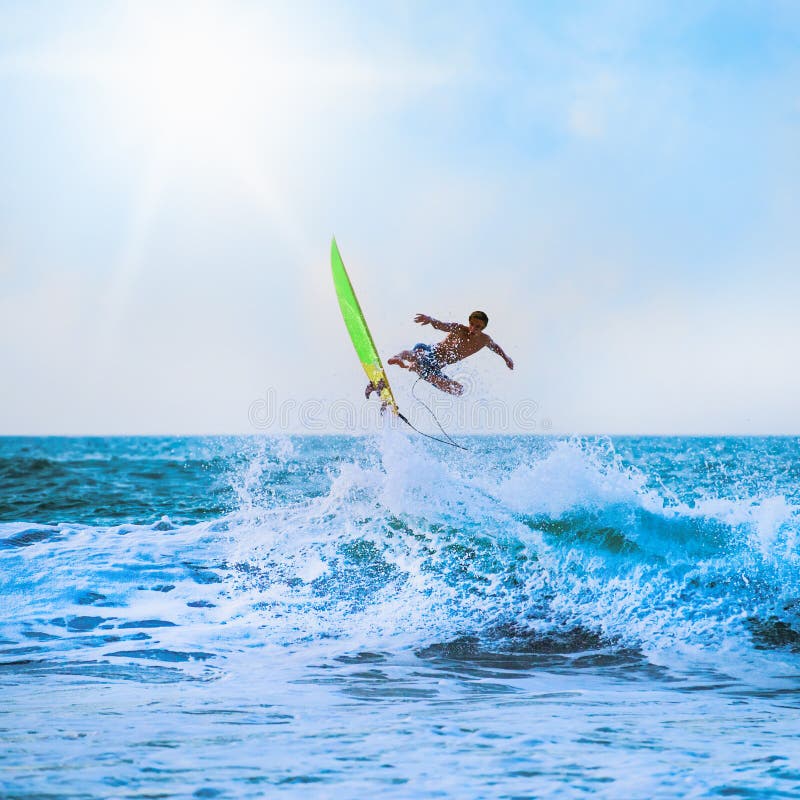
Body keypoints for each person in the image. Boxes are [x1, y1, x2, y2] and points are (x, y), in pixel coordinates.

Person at [366, 310, 514, 397]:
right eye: (473, 324)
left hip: (436, 367)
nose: (474, 328)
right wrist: (430, 320)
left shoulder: (484, 340)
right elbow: (442, 325)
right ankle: (398, 357)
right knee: (415, 355)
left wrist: (506, 358)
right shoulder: (458, 329)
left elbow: (495, 347)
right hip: (430, 352)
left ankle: (414, 369)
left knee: (458, 390)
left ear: (483, 328)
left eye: (478, 327)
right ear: (469, 322)